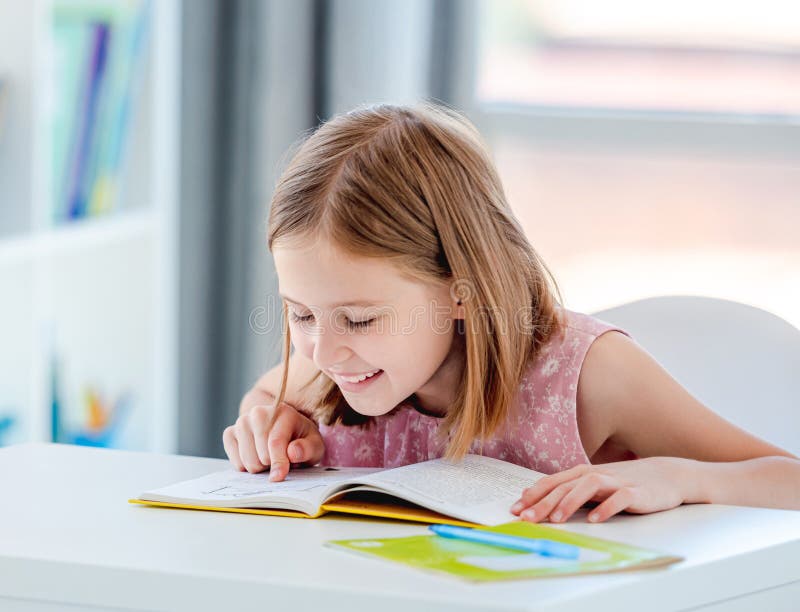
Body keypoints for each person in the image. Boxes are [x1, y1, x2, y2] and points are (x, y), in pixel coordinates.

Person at [223, 103, 799, 524]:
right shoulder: (333, 367)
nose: (322, 351)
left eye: (360, 319)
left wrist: (682, 476)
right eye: (299, 315)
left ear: (461, 290)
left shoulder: (591, 377)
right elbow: (266, 398)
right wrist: (268, 427)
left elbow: (790, 481)